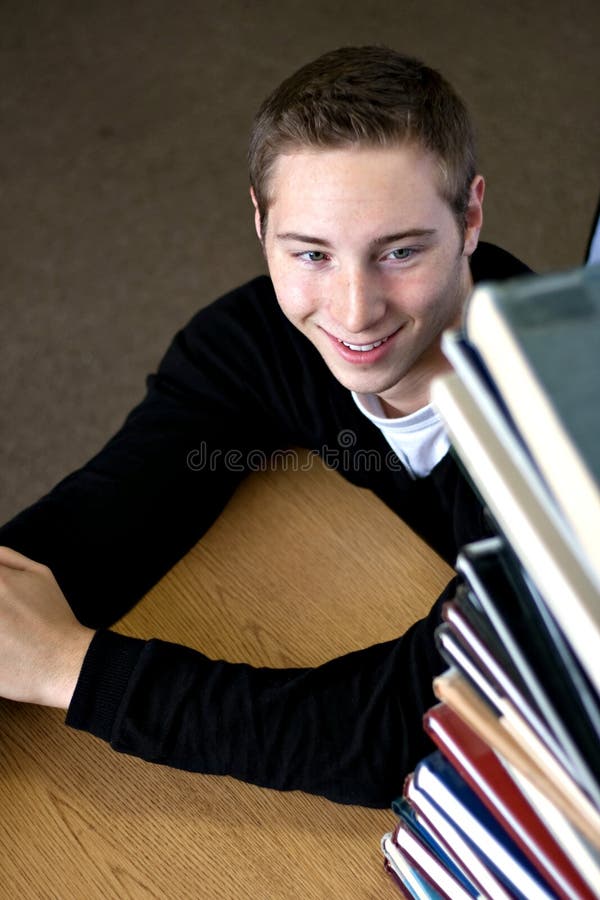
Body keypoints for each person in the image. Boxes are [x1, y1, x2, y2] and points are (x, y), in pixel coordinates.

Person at [0, 46, 530, 807]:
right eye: (311, 253)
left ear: (470, 216)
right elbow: (106, 518)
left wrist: (68, 667)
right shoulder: (257, 342)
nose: (353, 311)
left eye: (401, 252)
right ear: (260, 221)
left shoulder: (561, 434)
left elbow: (402, 731)